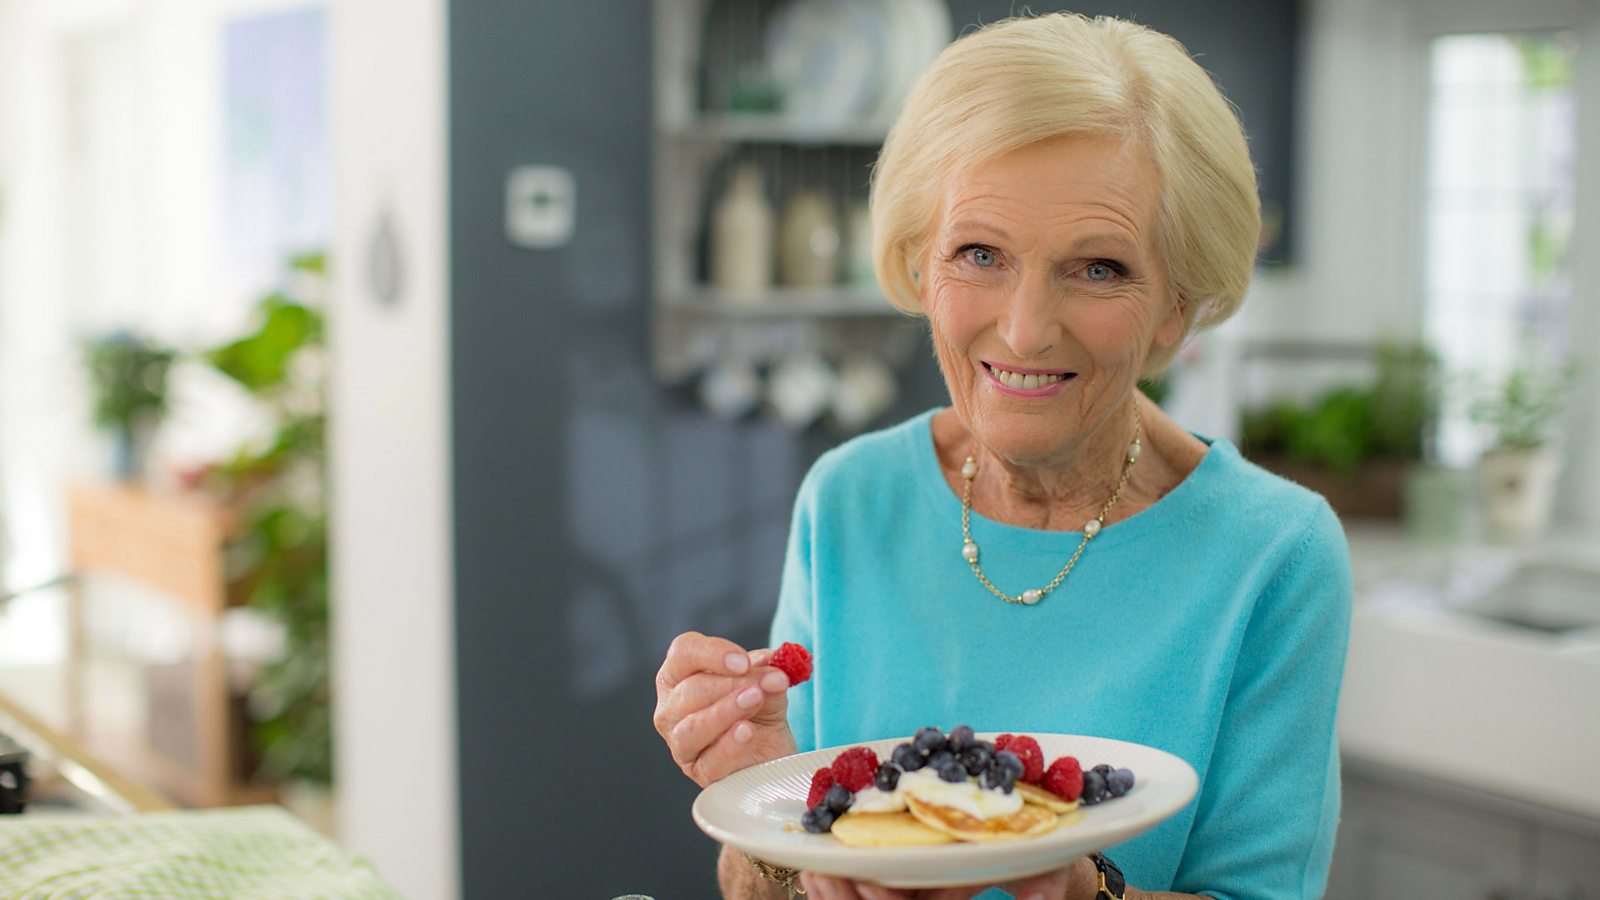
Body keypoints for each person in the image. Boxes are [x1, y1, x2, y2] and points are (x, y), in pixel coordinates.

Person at [653, 13, 1350, 900]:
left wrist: (1082, 896)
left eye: (1097, 268)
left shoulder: (1276, 555)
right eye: (979, 253)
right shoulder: (850, 499)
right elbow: (772, 884)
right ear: (919, 261)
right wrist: (761, 779)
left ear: (1176, 305)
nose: (1024, 329)